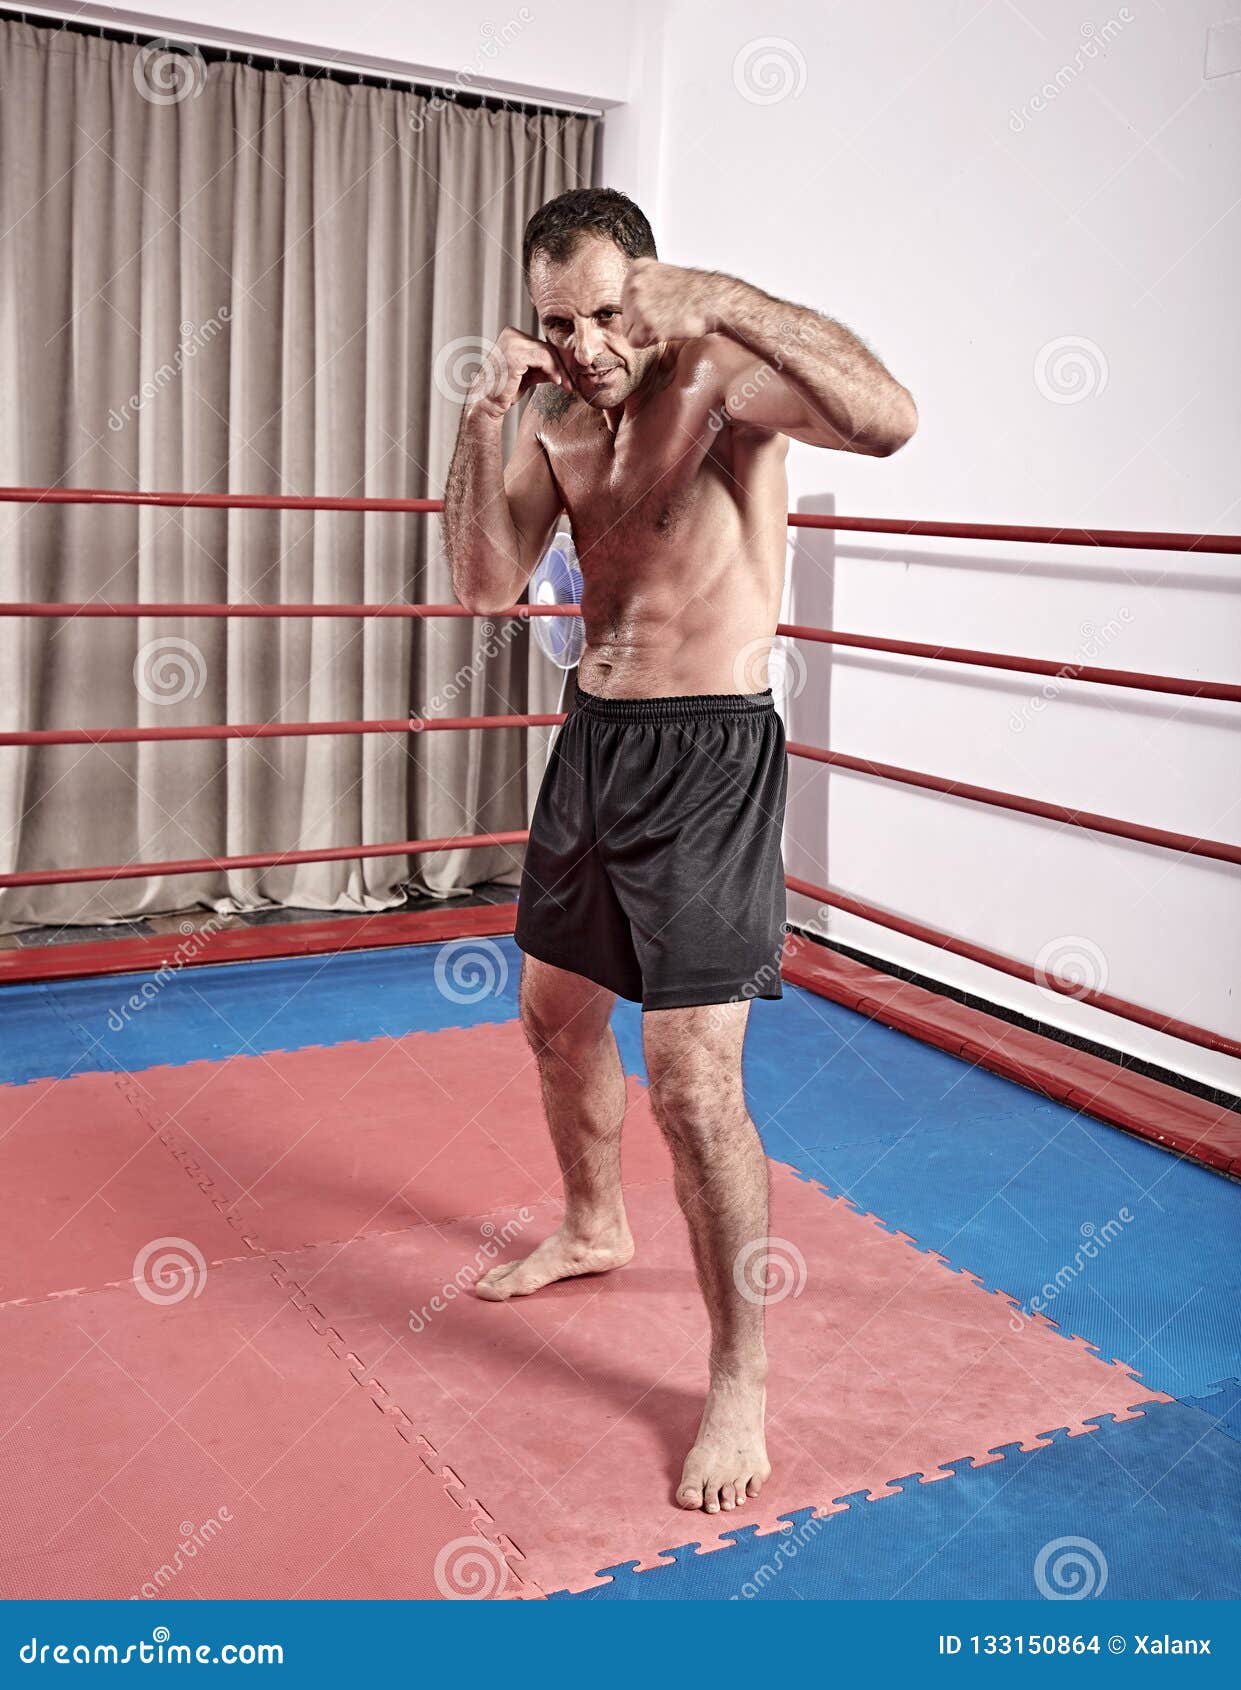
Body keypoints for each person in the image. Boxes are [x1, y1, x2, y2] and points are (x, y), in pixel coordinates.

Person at [443, 187, 916, 1516]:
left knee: (694, 1085)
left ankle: (738, 1374)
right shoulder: (552, 417)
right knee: (549, 1015)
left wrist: (719, 292)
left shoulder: (717, 381)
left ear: (643, 290)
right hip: (593, 741)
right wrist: (484, 413)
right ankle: (594, 1220)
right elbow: (485, 581)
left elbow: (888, 421)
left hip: (708, 754)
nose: (586, 342)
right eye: (557, 321)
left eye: (604, 310)